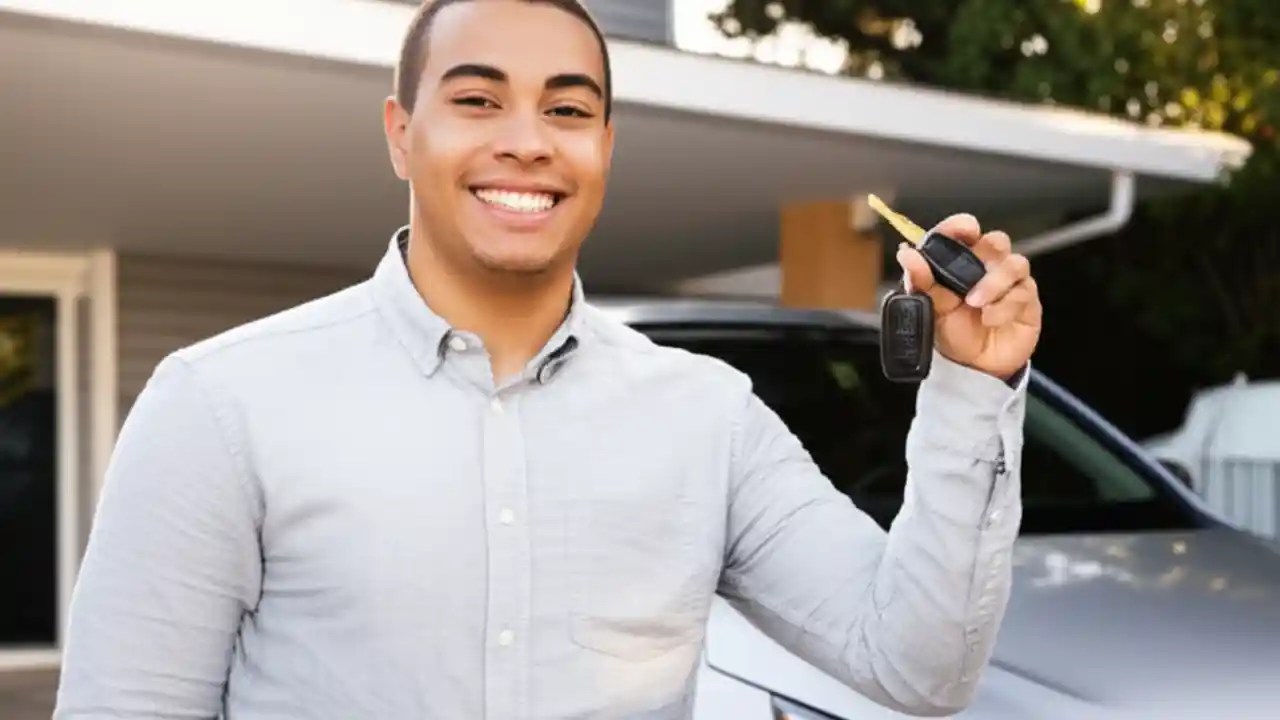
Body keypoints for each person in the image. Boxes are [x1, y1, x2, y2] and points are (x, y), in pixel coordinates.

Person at [54, 0, 1041, 718]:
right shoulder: (221, 403)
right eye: (478, 100)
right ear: (402, 134)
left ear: (604, 148)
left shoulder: (707, 416)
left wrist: (971, 391)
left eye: (566, 111)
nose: (526, 142)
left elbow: (916, 666)